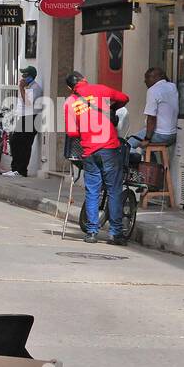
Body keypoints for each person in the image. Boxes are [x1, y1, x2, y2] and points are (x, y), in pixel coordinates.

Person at [63, 70, 129, 246]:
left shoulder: (70, 102)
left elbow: (71, 132)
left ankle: (91, 232)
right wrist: (112, 108)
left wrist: (84, 128)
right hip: (109, 147)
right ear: (85, 79)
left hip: (89, 151)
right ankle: (115, 233)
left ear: (71, 88)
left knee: (92, 191)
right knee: (114, 190)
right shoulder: (101, 90)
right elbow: (124, 97)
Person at [126, 67, 179, 156]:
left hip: (161, 134)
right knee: (145, 151)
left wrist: (147, 139)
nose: (145, 81)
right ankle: (149, 168)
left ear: (157, 77)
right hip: (172, 135)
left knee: (128, 143)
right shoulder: (172, 86)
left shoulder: (153, 90)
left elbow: (151, 118)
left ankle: (132, 168)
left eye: (147, 77)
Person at [9, 65, 42, 178]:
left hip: (31, 118)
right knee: (15, 142)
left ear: (31, 76)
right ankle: (15, 168)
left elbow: (28, 103)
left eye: (25, 75)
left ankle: (21, 170)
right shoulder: (28, 87)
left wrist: (21, 88)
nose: (22, 77)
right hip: (24, 117)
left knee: (24, 144)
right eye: (22, 75)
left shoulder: (35, 87)